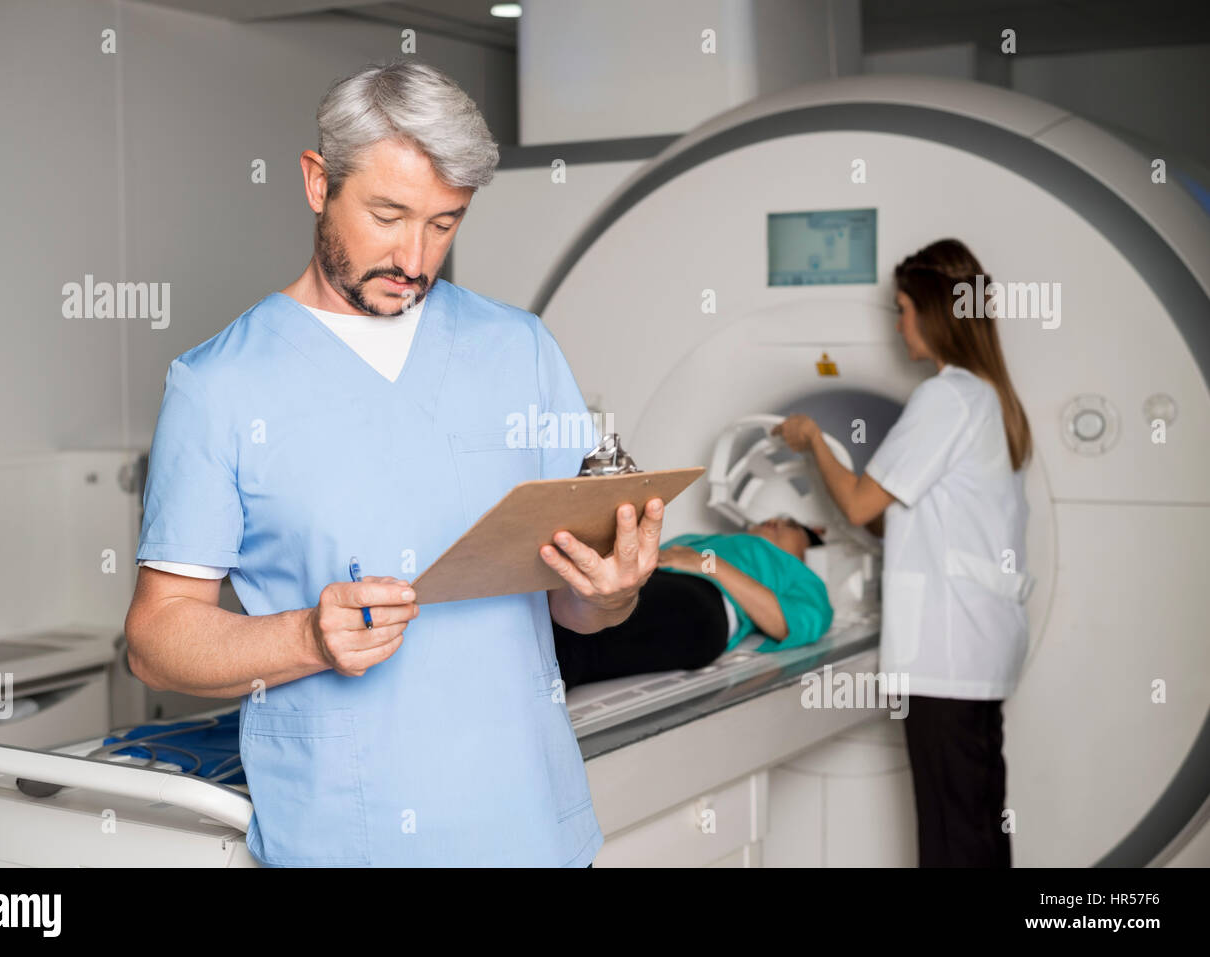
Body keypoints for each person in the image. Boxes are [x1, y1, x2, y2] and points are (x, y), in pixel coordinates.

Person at [124, 61, 665, 868]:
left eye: (444, 224)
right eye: (387, 215)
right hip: (349, 839)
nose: (414, 257)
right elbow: (155, 637)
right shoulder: (220, 386)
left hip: (534, 832)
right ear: (317, 183)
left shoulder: (519, 350)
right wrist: (306, 636)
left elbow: (574, 608)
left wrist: (614, 594)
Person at [775, 239, 1033, 867]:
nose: (898, 325)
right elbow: (926, 517)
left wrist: (813, 441)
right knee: (974, 824)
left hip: (949, 651)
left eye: (903, 309)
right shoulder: (987, 398)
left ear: (935, 312)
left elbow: (863, 501)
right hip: (977, 645)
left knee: (953, 837)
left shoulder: (946, 396)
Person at [553, 516, 834, 688]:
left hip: (702, 602)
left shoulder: (802, 575)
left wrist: (707, 565)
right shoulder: (705, 539)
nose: (778, 521)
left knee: (583, 642)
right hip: (643, 580)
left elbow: (786, 624)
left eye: (790, 525)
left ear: (806, 554)